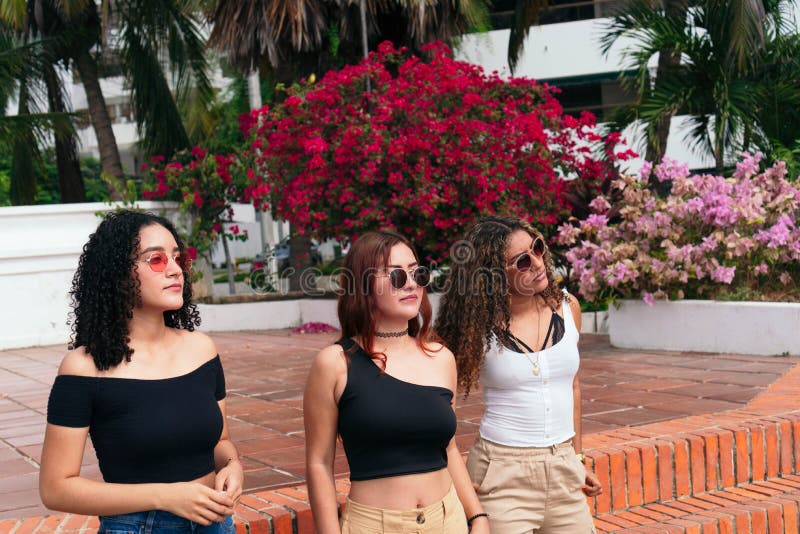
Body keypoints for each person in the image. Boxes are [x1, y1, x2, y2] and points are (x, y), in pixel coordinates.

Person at [40, 210, 243, 533]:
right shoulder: (85, 368)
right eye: (157, 260)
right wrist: (166, 497)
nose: (175, 269)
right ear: (118, 273)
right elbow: (56, 488)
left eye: (178, 258)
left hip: (215, 522)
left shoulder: (202, 349)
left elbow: (220, 440)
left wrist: (232, 465)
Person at [304, 230, 489, 534]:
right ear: (363, 286)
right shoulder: (335, 364)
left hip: (448, 520)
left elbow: (449, 449)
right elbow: (319, 463)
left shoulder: (441, 358)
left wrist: (477, 517)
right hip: (374, 526)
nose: (412, 283)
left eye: (417, 272)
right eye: (396, 276)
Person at [435, 215, 602, 534]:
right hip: (501, 475)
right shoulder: (473, 329)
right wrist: (448, 474)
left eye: (537, 248)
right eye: (522, 261)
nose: (538, 263)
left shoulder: (568, 307)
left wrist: (577, 457)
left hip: (564, 469)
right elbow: (439, 408)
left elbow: (573, 386)